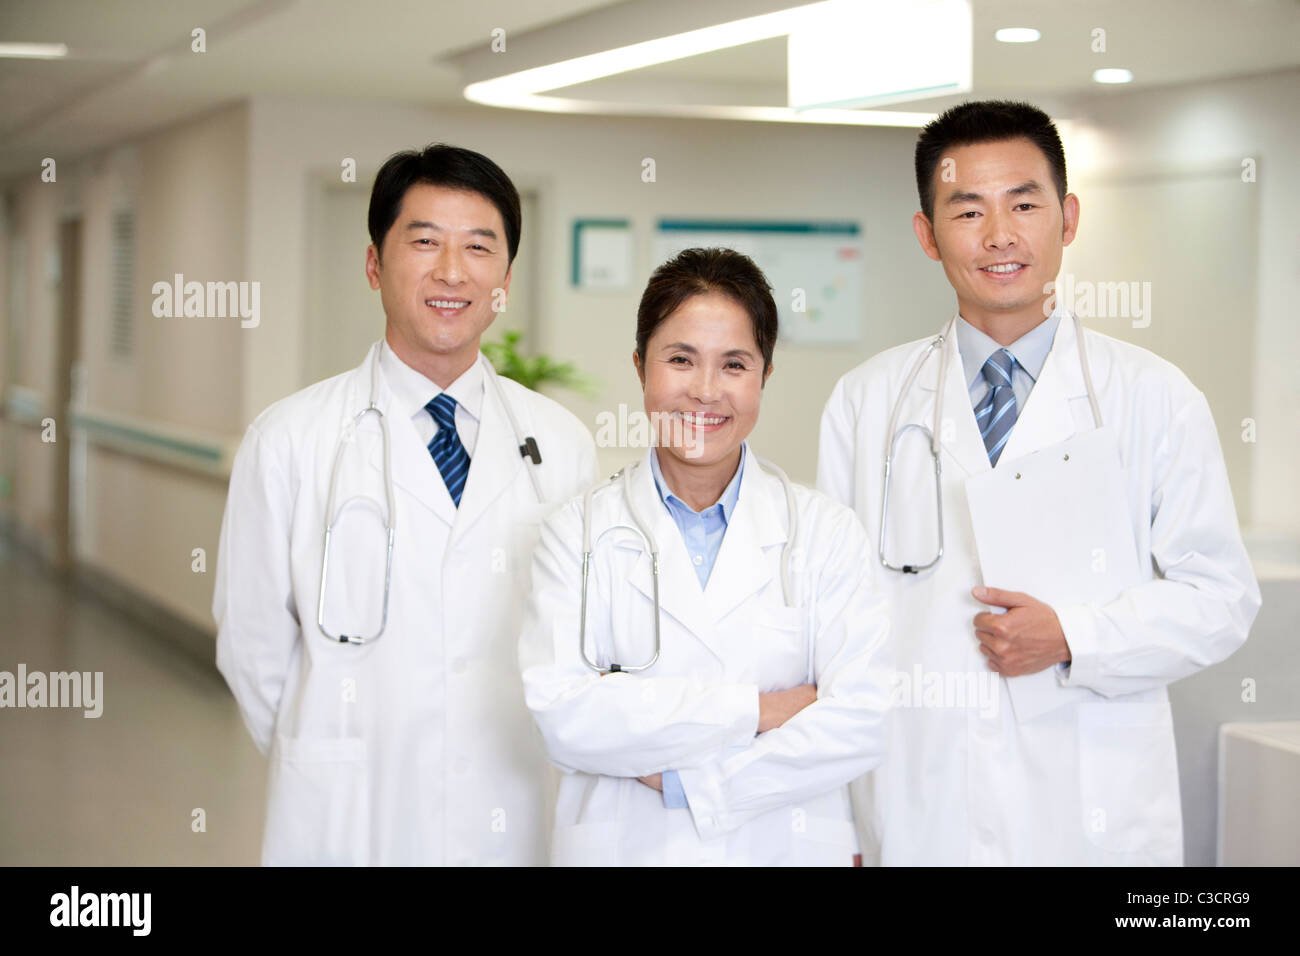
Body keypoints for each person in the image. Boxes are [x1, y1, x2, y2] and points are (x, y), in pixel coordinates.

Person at [817, 100, 1261, 865]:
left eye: (1024, 204)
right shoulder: (867, 401)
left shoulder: (1153, 397)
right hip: (919, 805)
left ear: (1069, 217)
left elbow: (1222, 598)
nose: (1000, 236)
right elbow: (829, 630)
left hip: (1091, 809)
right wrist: (836, 821)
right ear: (927, 234)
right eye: (968, 210)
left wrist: (1075, 637)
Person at [214, 144, 597, 865]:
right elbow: (252, 648)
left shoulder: (560, 443)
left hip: (508, 804)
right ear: (374, 265)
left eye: (479, 248)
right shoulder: (290, 439)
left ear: (505, 278)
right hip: (350, 813)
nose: (452, 272)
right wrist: (328, 744)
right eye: (424, 242)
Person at [519, 247, 892, 866]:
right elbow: (565, 717)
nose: (706, 391)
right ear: (641, 367)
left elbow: (860, 722)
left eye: (735, 364)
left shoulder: (825, 533)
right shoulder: (578, 533)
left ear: (765, 375)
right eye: (681, 359)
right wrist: (765, 709)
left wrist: (691, 782)